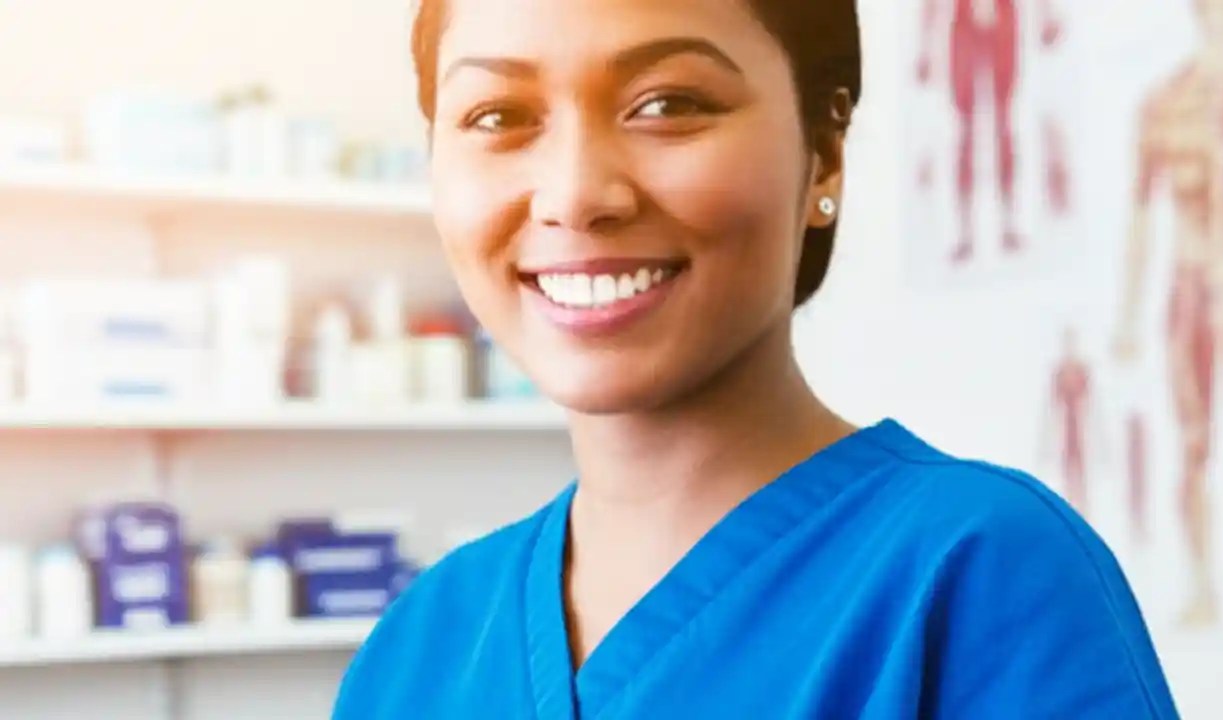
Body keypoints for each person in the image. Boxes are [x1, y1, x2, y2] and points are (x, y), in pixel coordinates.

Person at [335, 0, 1178, 717]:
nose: (576, 195)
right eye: (496, 117)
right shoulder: (416, 649)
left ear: (826, 152)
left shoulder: (981, 575)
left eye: (666, 104)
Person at [1114, 0, 1223, 627]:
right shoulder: (1165, 104)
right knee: (1194, 443)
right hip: (1189, 288)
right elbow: (1139, 215)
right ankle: (1202, 584)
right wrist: (1128, 317)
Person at [916, 0, 1063, 263]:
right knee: (966, 129)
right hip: (965, 23)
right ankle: (966, 233)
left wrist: (1046, 15)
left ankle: (1007, 225)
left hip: (1001, 17)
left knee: (1002, 123)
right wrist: (924, 46)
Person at [1043, 327, 1095, 516]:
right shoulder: (1059, 372)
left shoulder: (1081, 370)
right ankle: (1071, 506)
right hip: (1064, 425)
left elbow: (1093, 403)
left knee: (1081, 468)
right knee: (1067, 466)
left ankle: (1083, 507)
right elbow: (1050, 406)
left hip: (1080, 425)